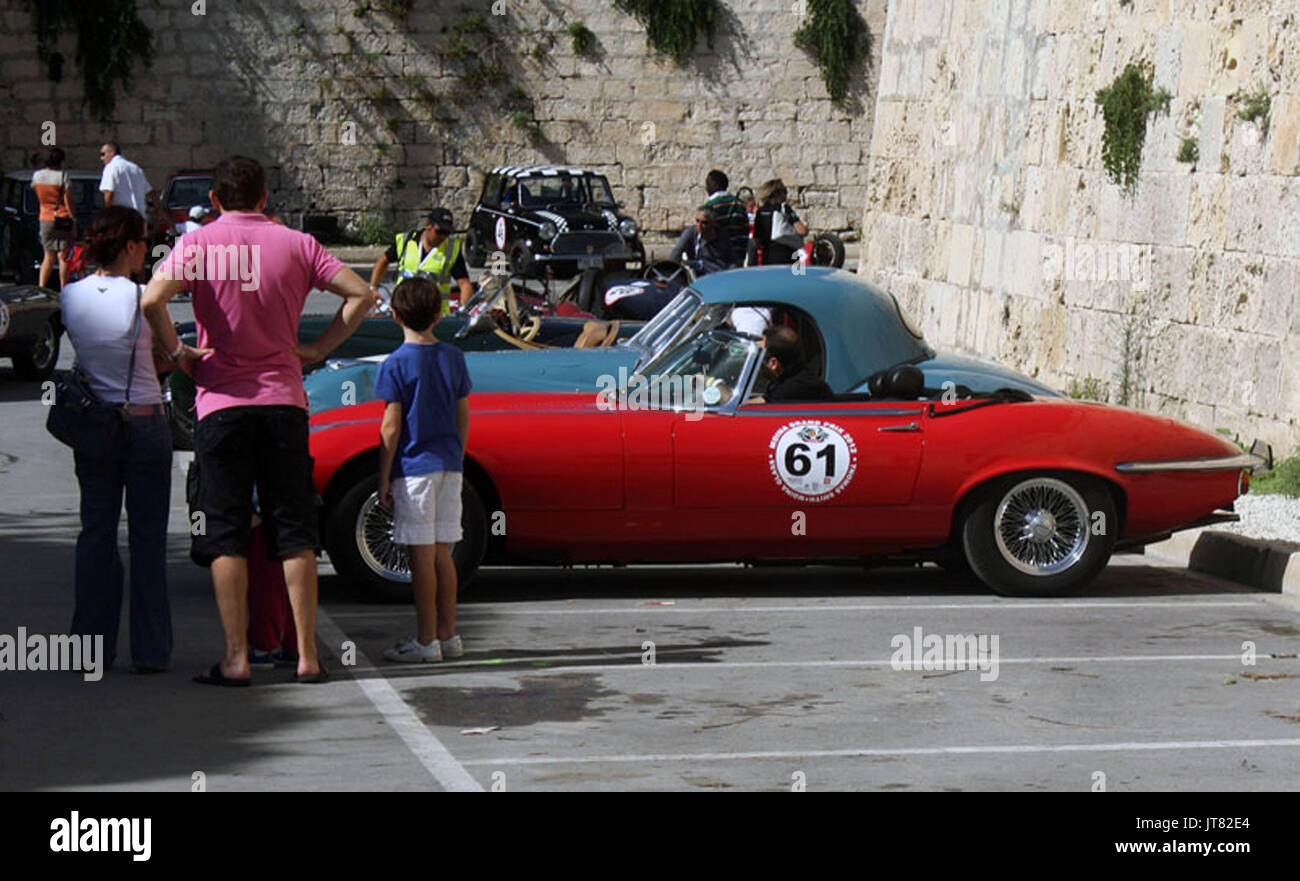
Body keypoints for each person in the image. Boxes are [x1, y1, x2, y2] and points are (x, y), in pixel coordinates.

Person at [142, 155, 376, 686]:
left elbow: (152, 299)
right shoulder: (295, 243)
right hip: (283, 401)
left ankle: (237, 657)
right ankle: (308, 657)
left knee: (225, 531)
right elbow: (362, 294)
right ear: (266, 198)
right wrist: (317, 347)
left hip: (222, 402)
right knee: (294, 529)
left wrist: (178, 349)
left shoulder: (198, 244)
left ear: (217, 200)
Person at [60, 206, 178, 674]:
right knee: (147, 540)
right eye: (144, 242)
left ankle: (89, 646)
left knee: (96, 534)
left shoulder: (71, 296)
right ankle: (150, 651)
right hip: (144, 422)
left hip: (95, 425)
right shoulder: (144, 297)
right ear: (128, 246)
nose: (147, 250)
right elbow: (165, 357)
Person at [375, 277, 472, 663]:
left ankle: (425, 640)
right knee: (444, 552)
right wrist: (457, 455)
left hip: (414, 469)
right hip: (450, 463)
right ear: (439, 314)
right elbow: (463, 414)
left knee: (420, 557)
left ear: (395, 315)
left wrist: (383, 475)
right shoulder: (453, 356)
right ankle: (449, 635)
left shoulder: (395, 364)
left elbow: (391, 425)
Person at [369, 208, 474, 315]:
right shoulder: (406, 241)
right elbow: (383, 261)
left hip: (434, 315)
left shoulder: (451, 250)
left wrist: (464, 311)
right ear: (428, 225)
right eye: (440, 231)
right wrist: (373, 288)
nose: (443, 237)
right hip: (403, 310)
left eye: (447, 233)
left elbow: (464, 283)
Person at [30, 147, 76, 289]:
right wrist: (73, 219)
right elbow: (67, 200)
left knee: (48, 257)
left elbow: (37, 193)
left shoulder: (37, 176)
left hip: (45, 217)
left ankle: (42, 286)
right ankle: (64, 288)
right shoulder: (62, 176)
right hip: (62, 217)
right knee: (63, 257)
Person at [98, 142, 165, 231]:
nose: (101, 158)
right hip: (140, 219)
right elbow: (150, 192)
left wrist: (107, 216)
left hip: (122, 219)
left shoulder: (111, 167)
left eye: (103, 154)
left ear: (112, 152)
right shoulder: (135, 168)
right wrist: (160, 210)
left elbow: (109, 192)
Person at [760, 326, 833, 402]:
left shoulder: (792, 389)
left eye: (759, 355)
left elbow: (766, 402)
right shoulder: (798, 377)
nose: (759, 364)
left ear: (773, 363)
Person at [752, 178, 808, 266]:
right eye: (785, 191)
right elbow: (802, 230)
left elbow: (757, 241)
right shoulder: (783, 208)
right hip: (787, 255)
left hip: (767, 258)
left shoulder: (760, 211)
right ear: (778, 194)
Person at [668, 205, 737, 276]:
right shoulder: (691, 233)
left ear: (713, 223)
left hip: (720, 276)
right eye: (697, 221)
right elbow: (676, 254)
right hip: (700, 278)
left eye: (704, 223)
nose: (699, 225)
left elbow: (732, 261)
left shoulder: (722, 236)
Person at [703, 170, 750, 257]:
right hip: (738, 253)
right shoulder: (739, 204)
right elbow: (746, 229)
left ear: (715, 184)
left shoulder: (710, 206)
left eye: (708, 184)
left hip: (718, 255)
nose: (706, 187)